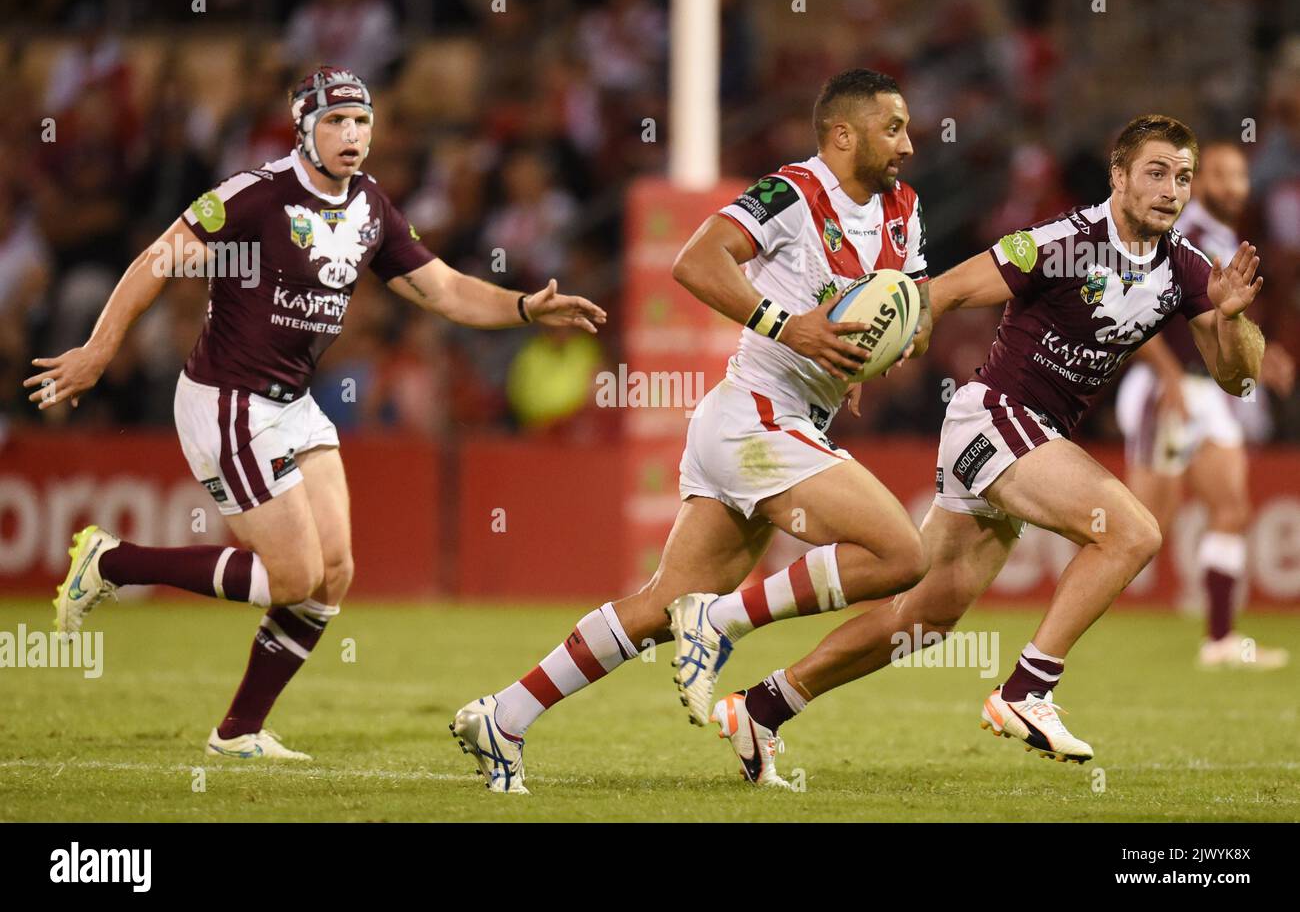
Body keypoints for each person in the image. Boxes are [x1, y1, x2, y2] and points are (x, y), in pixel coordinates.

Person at [32, 66, 605, 760]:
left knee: (335, 572)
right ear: (304, 126)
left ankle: (238, 731)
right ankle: (113, 561)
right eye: (335, 121)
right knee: (295, 577)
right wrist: (98, 349)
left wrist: (522, 307)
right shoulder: (257, 197)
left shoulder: (369, 205)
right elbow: (159, 259)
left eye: (361, 120)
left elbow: (445, 290)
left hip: (292, 402)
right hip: (228, 401)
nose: (352, 134)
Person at [702, 114, 1267, 781]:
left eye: (1180, 176)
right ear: (1118, 177)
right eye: (1154, 172)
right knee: (1131, 532)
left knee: (926, 614)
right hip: (996, 416)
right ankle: (1028, 690)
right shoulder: (1063, 241)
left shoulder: (1186, 268)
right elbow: (943, 291)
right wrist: (864, 354)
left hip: (1027, 434)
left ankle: (764, 705)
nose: (1170, 189)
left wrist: (1231, 320)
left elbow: (1238, 375)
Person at [451, 69, 933, 793]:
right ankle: (723, 620)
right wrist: (788, 326)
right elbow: (694, 259)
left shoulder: (905, 209)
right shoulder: (791, 191)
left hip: (768, 423)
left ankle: (504, 716)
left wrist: (883, 346)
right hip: (759, 416)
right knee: (900, 552)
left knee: (654, 608)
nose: (909, 144)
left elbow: (916, 315)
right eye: (892, 127)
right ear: (842, 134)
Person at [1115, 140, 1291, 669]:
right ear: (1196, 183)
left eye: (1239, 175)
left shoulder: (1221, 239)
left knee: (1232, 509)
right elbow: (1127, 307)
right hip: (1165, 390)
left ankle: (1219, 640)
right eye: (1219, 174)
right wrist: (1168, 378)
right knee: (1141, 531)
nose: (1233, 185)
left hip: (1207, 390)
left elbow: (1218, 324)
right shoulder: (1180, 236)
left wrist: (1263, 353)